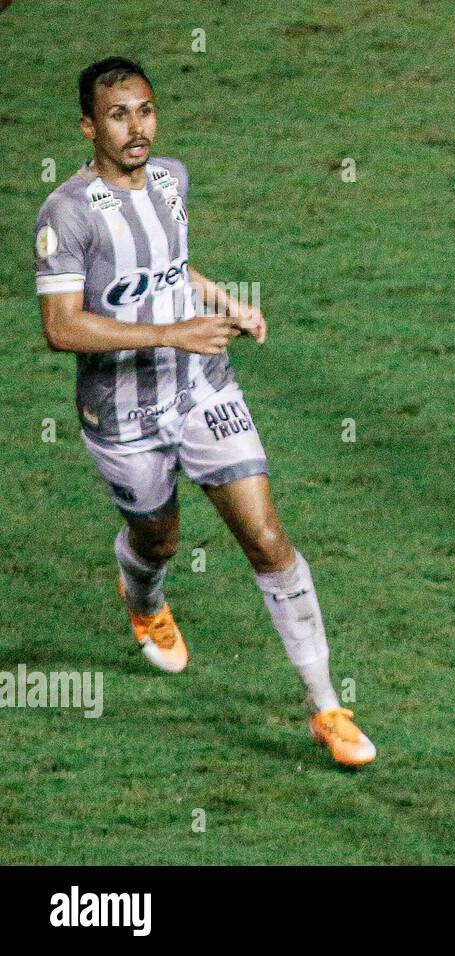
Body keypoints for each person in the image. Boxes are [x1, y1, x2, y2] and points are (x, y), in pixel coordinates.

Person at [34, 57, 375, 767]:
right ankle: (145, 598)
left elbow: (171, 265)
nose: (137, 128)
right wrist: (172, 330)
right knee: (157, 538)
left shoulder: (171, 179)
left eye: (146, 110)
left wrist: (222, 304)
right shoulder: (66, 213)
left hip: (203, 388)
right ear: (88, 126)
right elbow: (62, 327)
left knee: (269, 540)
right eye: (120, 115)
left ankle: (326, 707)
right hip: (122, 416)